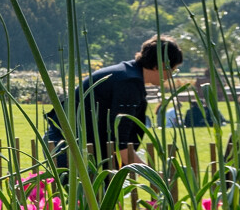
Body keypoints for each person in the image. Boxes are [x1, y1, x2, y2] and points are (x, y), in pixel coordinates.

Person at [52, 36, 183, 166]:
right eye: (173, 70)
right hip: (69, 146)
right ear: (161, 65)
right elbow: (120, 143)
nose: (171, 76)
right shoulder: (129, 83)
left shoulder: (127, 72)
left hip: (82, 144)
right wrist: (153, 176)